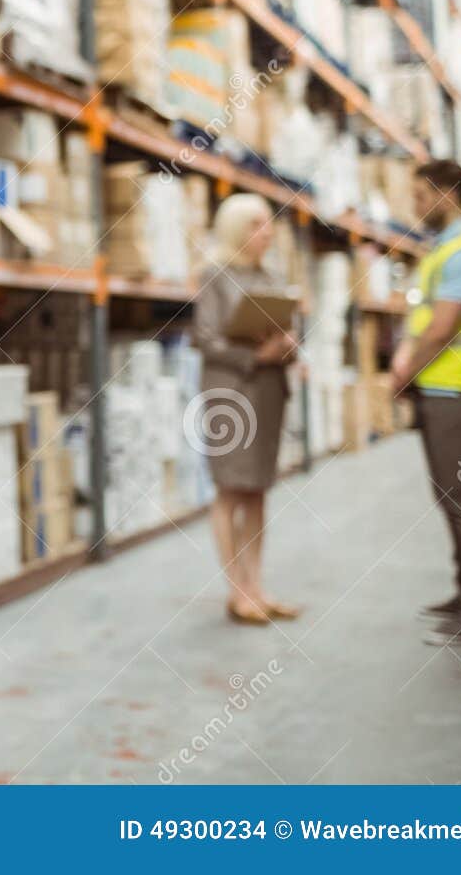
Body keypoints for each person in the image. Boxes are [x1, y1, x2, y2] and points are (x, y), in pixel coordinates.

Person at [390, 159, 461, 647]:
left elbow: (443, 326)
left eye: (421, 195)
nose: (415, 206)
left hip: (456, 388)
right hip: (441, 388)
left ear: (448, 193)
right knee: (451, 495)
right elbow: (424, 318)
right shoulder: (444, 248)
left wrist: (403, 370)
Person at [192, 193, 299, 625]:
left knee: (257, 489)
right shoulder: (213, 274)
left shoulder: (272, 274)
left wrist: (287, 347)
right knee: (230, 489)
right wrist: (255, 358)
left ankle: (256, 587)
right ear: (237, 228)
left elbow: (286, 328)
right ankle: (236, 591)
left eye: (268, 223)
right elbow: (205, 338)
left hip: (269, 391)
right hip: (232, 393)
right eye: (257, 224)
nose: (267, 231)